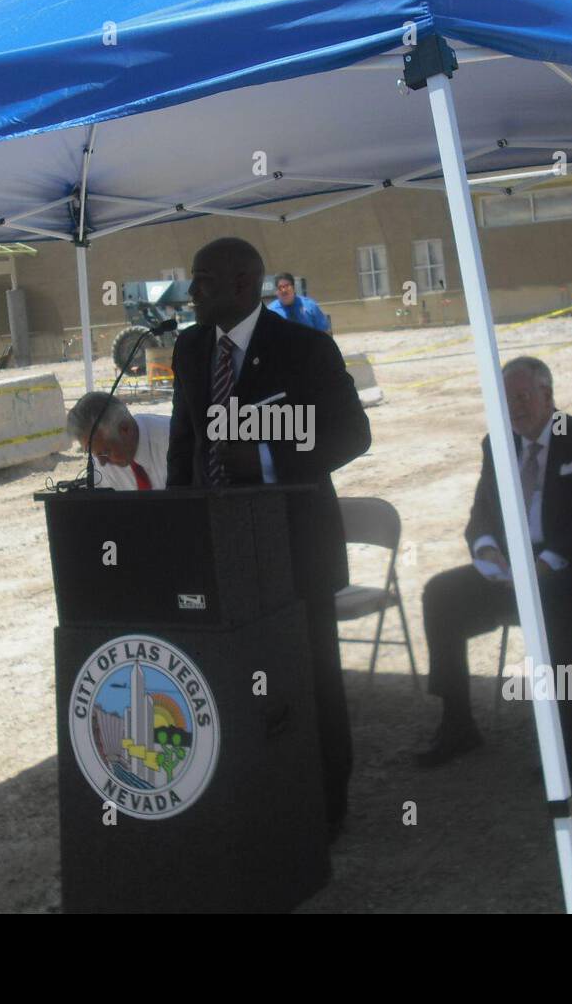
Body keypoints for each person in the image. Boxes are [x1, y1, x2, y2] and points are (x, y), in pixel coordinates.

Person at [167, 237, 371, 832]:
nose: (191, 291)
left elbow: (353, 435)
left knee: (310, 678)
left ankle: (329, 803)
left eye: (201, 280)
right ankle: (259, 799)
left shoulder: (305, 347)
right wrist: (179, 520)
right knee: (233, 678)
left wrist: (268, 458)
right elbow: (186, 440)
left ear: (240, 284)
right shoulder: (189, 346)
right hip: (217, 548)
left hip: (294, 548)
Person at [416, 357, 572, 769]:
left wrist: (545, 564)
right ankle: (458, 722)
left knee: (553, 598)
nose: (514, 407)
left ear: (547, 395)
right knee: (440, 593)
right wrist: (488, 549)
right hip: (513, 570)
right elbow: (482, 511)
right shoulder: (498, 444)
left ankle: (567, 734)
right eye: (505, 399)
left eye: (523, 397)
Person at [66, 392, 169, 490]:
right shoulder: (101, 459)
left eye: (106, 452)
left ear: (125, 429)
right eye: (94, 454)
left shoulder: (173, 441)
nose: (102, 463)